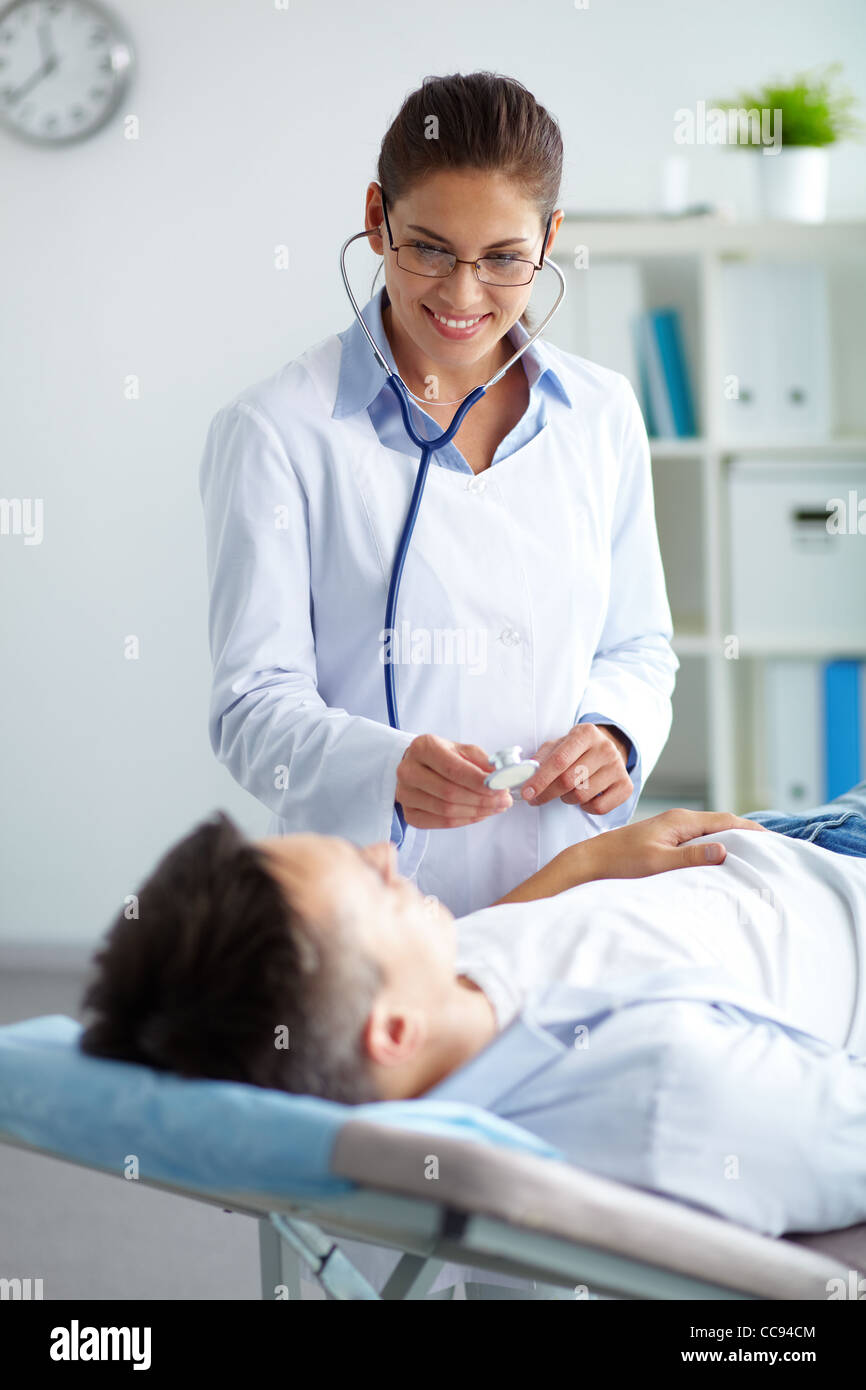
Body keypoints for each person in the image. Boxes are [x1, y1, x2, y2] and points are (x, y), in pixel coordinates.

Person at [198, 71, 678, 921]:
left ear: (550, 238)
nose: (462, 295)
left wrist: (615, 735)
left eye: (502, 259)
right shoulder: (278, 430)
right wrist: (381, 768)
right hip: (366, 913)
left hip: (569, 898)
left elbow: (639, 644)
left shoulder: (601, 414)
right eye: (428, 248)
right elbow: (252, 706)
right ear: (378, 219)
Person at [79, 783, 866, 1245]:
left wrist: (582, 865)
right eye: (375, 886)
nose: (388, 855)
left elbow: (497, 965)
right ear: (390, 1032)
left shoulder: (428, 1010)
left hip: (796, 835)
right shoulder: (670, 1095)